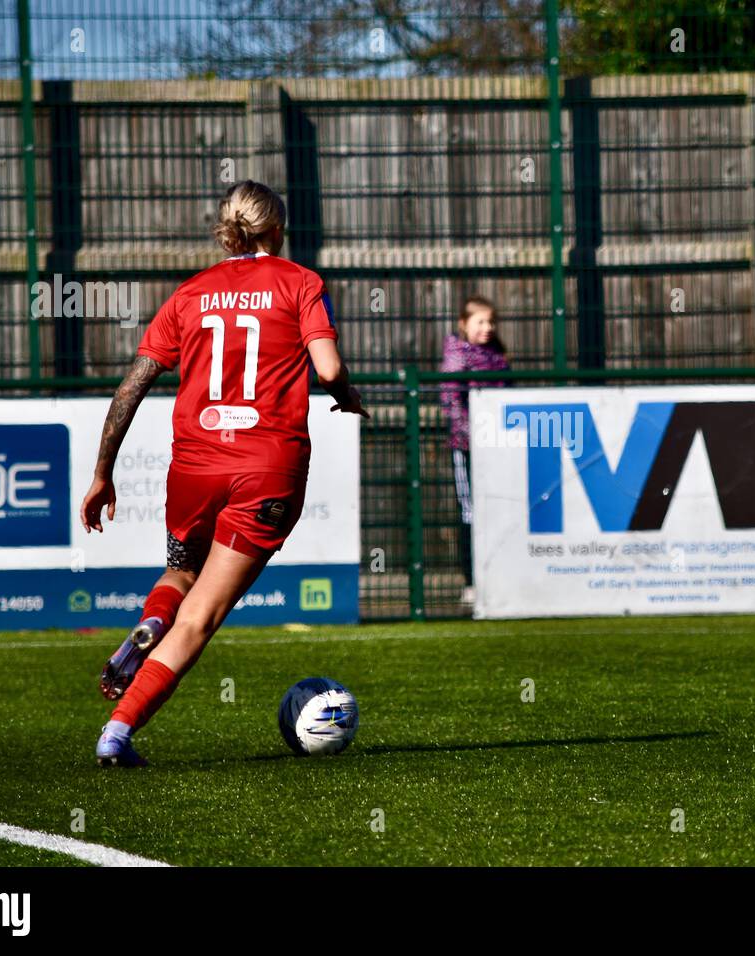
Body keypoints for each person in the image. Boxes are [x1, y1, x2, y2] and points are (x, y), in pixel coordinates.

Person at [79, 180, 368, 767]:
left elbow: (133, 385)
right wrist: (348, 395)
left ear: (226, 229)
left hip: (194, 463)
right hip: (267, 467)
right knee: (204, 617)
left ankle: (150, 624)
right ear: (278, 229)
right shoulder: (300, 282)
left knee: (180, 571)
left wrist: (103, 472)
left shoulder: (190, 293)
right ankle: (117, 731)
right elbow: (329, 366)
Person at [438, 295, 510, 604]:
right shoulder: (457, 357)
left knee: (500, 507)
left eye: (491, 321)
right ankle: (471, 580)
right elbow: (450, 400)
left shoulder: (498, 355)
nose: (487, 328)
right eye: (480, 322)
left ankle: (498, 575)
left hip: (497, 445)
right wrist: (472, 434)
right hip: (467, 447)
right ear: (464, 324)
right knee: (470, 512)